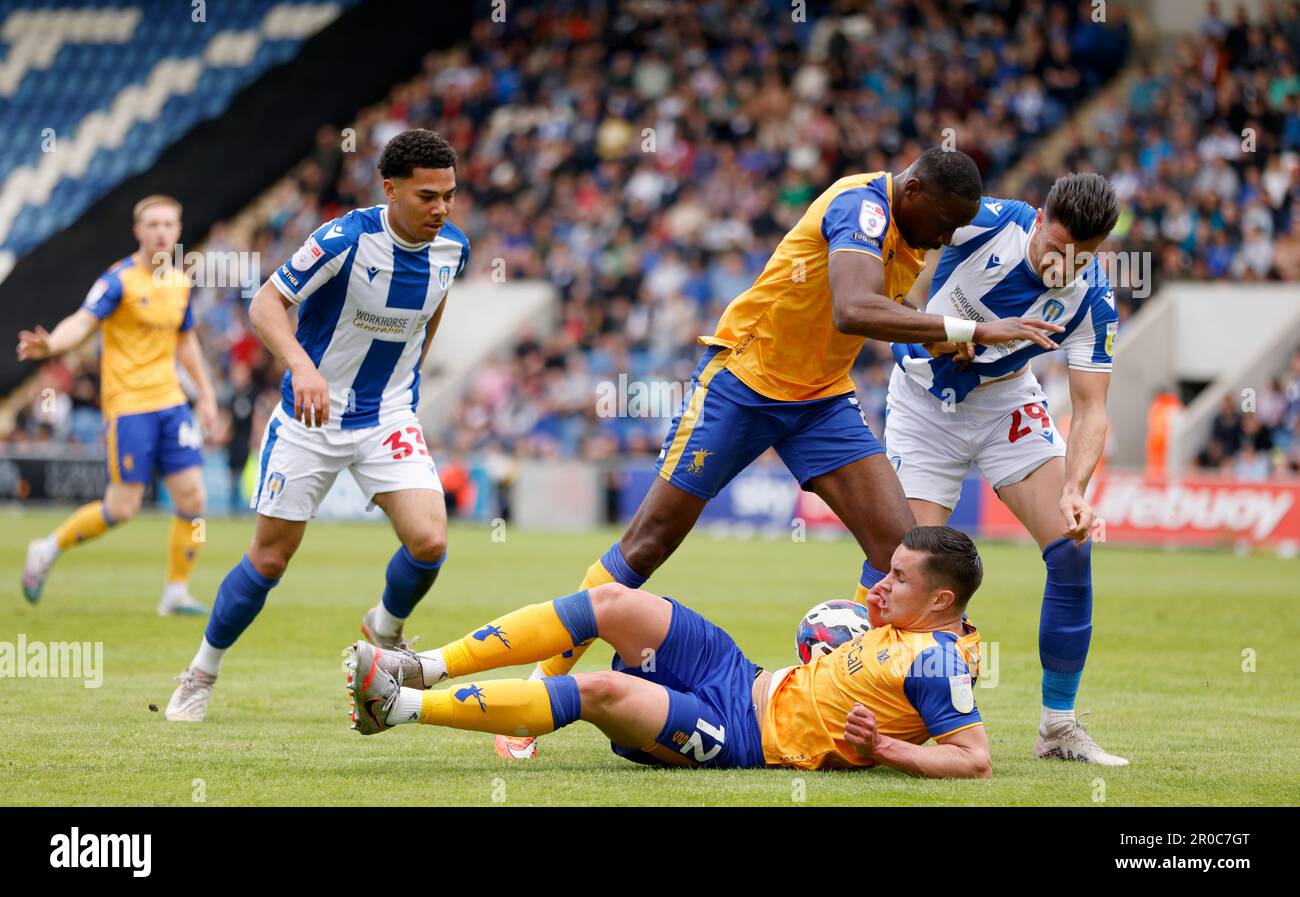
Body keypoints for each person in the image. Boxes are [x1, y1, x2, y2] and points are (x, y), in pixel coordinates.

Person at [497, 147, 1062, 759]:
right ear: (914, 189)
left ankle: (849, 693)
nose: (946, 237)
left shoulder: (913, 226)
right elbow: (852, 310)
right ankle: (540, 689)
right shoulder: (861, 208)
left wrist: (938, 341)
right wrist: (969, 330)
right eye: (944, 222)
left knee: (899, 545)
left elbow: (875, 313)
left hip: (820, 397)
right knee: (647, 544)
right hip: (747, 380)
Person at [163, 129, 469, 721]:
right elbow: (264, 304)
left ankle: (384, 629)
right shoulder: (344, 238)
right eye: (427, 196)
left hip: (386, 416)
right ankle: (201, 671)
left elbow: (434, 310)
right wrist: (302, 368)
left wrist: (410, 381)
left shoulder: (453, 248)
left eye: (449, 196)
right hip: (311, 418)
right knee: (270, 559)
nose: (441, 208)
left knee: (430, 541)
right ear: (390, 189)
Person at [346, 526, 991, 779]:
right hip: (742, 675)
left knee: (602, 691)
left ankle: (400, 705)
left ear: (940, 602)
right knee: (614, 600)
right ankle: (424, 663)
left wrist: (885, 750)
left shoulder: (938, 660)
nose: (880, 584)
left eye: (898, 579)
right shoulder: (911, 626)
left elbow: (975, 761)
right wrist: (877, 615)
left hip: (745, 736)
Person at [884, 173, 1128, 765]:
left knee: (1072, 546)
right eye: (1055, 250)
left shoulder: (1093, 300)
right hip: (922, 408)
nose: (1062, 268)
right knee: (904, 569)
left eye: (1081, 258)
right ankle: (885, 709)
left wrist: (1075, 487)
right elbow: (892, 259)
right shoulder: (986, 219)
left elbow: (1093, 407)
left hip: (1004, 404)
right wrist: (925, 327)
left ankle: (1058, 726)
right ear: (1038, 219)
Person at [18, 195, 217, 616]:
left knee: (194, 500)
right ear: (138, 232)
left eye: (169, 225)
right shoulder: (118, 281)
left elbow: (186, 342)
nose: (162, 232)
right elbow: (82, 321)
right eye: (153, 225)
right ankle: (47, 548)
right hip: (129, 405)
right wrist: (52, 343)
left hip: (172, 402)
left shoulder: (180, 283)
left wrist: (207, 394)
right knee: (122, 507)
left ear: (178, 232)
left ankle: (175, 592)